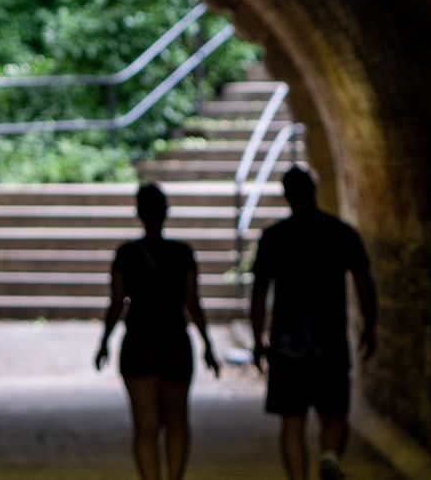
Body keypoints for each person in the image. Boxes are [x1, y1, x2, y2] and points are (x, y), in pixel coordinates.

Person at [250, 166, 376, 480]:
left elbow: (260, 291)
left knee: (291, 423)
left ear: (287, 195)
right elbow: (363, 282)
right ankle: (330, 455)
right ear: (314, 190)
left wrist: (257, 338)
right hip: (330, 340)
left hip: (286, 342)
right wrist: (370, 324)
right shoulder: (341, 233)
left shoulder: (274, 238)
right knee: (334, 414)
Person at [94, 181, 221, 480]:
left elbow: (116, 303)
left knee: (145, 426)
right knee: (177, 420)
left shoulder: (126, 255)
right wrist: (207, 344)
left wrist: (104, 341)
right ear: (166, 212)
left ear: (139, 213)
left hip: (139, 341)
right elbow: (192, 302)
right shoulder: (182, 253)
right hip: (175, 339)